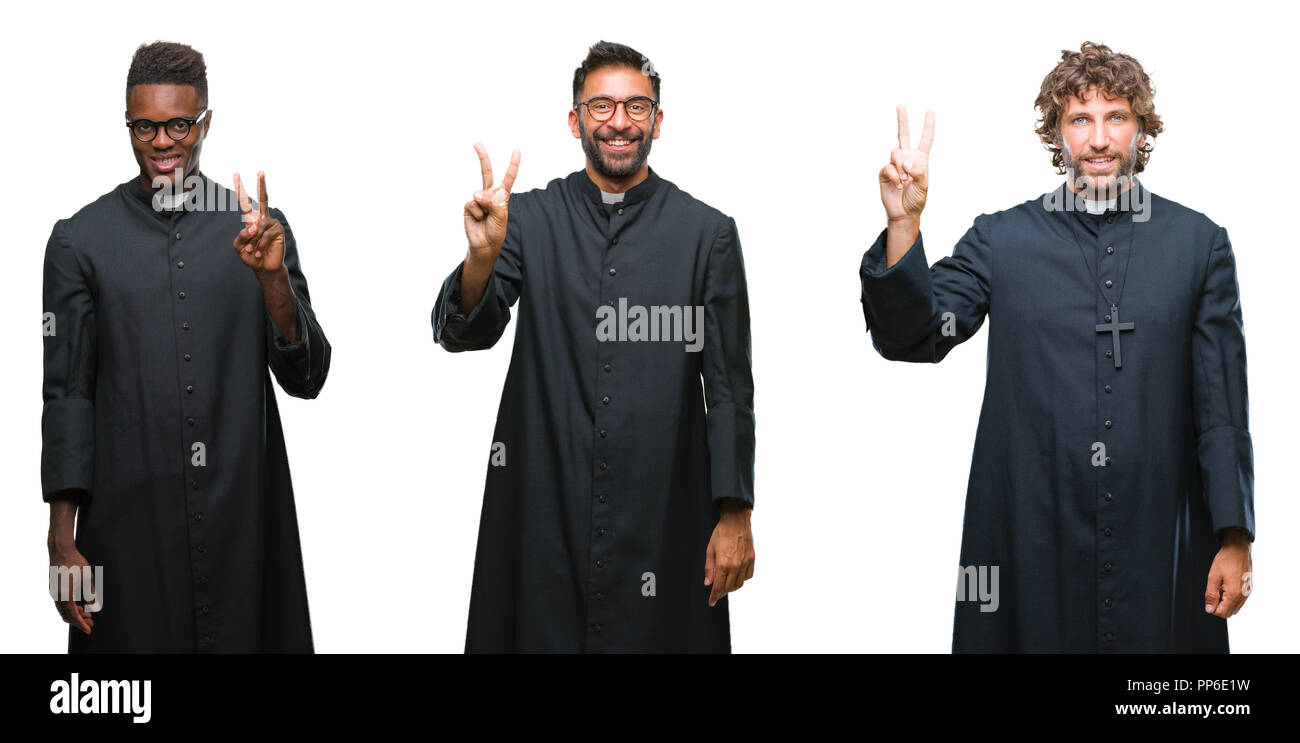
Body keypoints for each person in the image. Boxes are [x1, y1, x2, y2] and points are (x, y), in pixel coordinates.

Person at [860, 41, 1254, 652]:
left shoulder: (1199, 244)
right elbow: (915, 335)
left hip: (1157, 535)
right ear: (1057, 133)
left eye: (1116, 117)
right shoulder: (1001, 238)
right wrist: (904, 224)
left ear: (1141, 129)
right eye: (1080, 119)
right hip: (1030, 533)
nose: (1099, 139)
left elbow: (1221, 406)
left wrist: (1234, 535)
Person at [432, 40, 756, 652]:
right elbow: (463, 332)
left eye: (637, 106)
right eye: (601, 106)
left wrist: (735, 513)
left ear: (659, 120)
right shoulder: (525, 219)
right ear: (575, 119)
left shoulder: (706, 233)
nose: (619, 122)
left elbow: (731, 388)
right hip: (543, 509)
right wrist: (481, 257)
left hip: (664, 512)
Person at [42, 41, 330, 652]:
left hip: (243, 518)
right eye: (144, 125)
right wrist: (61, 539)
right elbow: (67, 395)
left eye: (178, 124)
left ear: (204, 121)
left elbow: (306, 377)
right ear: (128, 123)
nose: (162, 141)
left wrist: (273, 279)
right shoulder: (78, 242)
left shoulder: (256, 228)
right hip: (128, 528)